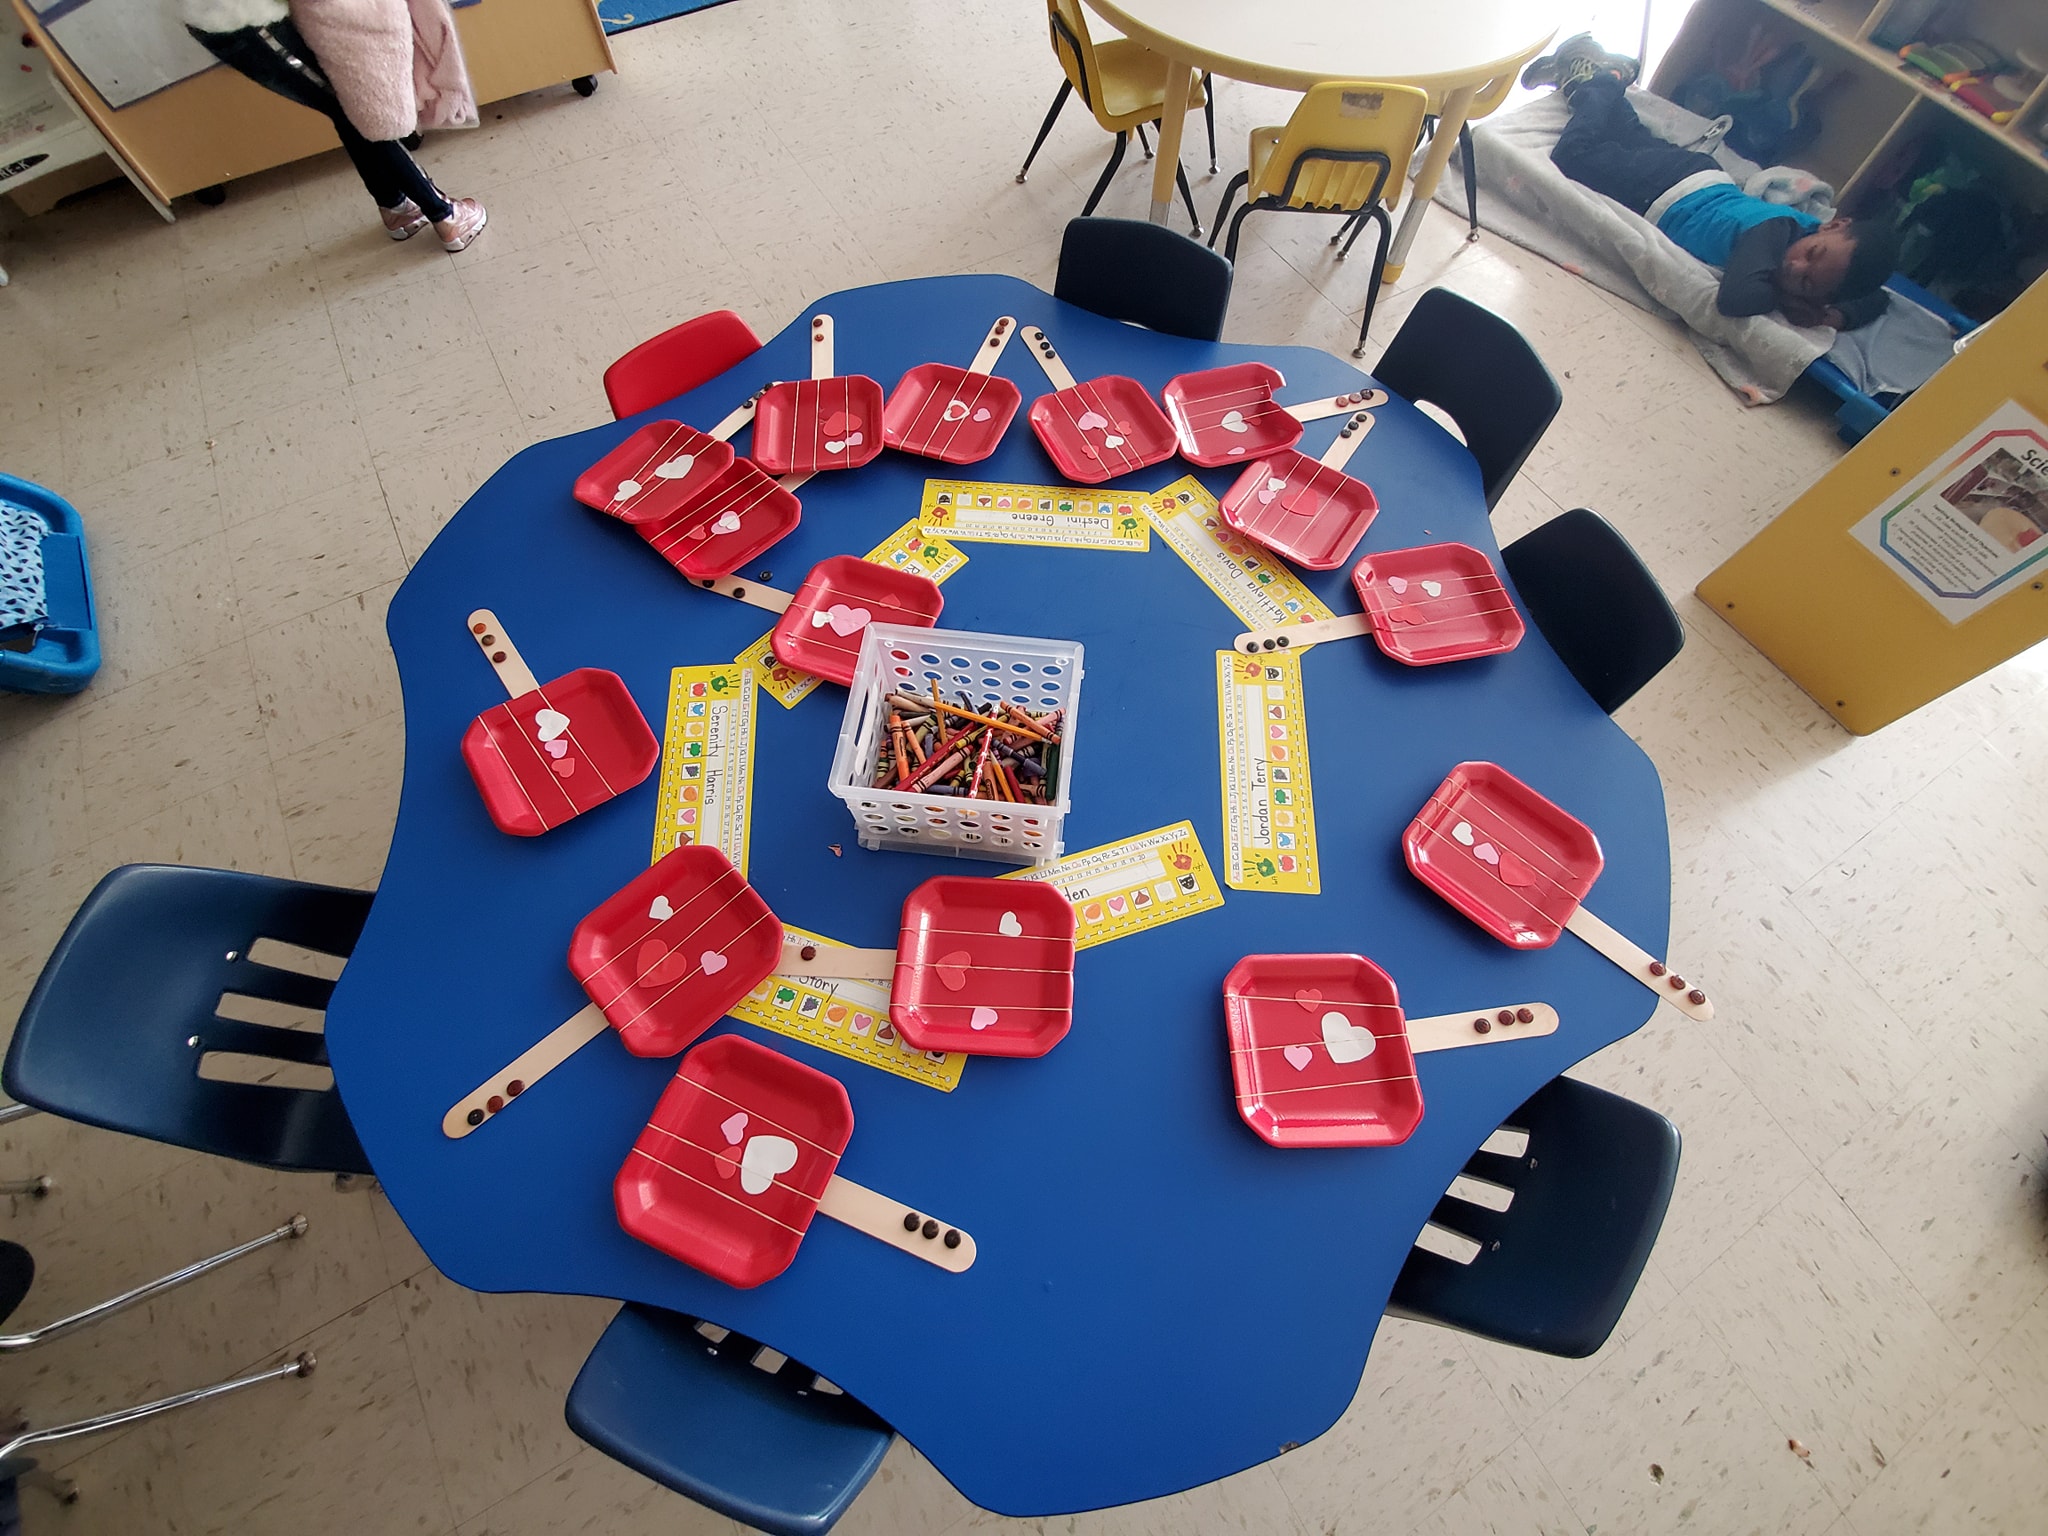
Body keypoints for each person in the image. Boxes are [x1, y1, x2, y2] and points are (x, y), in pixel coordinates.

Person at [1522, 35, 1895, 329]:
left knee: (1624, 130)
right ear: (1836, 223)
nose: (1795, 268)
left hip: (1700, 174)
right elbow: (1735, 298)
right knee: (1575, 156)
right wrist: (1795, 299)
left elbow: (1879, 299)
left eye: (1809, 283)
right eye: (1811, 255)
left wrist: (1836, 316)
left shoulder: (1822, 243)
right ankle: (1598, 81)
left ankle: (1603, 73)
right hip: (1664, 189)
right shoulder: (1773, 234)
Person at [179, 0, 487, 251]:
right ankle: (443, 214)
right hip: (245, 21)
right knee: (359, 111)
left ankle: (396, 207)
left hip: (239, 17)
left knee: (345, 107)